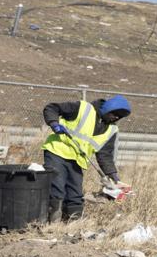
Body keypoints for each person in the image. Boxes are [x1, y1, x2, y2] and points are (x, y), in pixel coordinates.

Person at [40, 95, 130, 223]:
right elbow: (52, 108)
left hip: (77, 160)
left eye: (120, 116)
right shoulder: (83, 108)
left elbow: (105, 155)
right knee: (57, 189)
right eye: (115, 113)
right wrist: (54, 123)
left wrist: (113, 175)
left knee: (75, 194)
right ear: (108, 108)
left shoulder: (111, 129)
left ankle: (73, 223)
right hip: (57, 151)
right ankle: (52, 223)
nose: (116, 117)